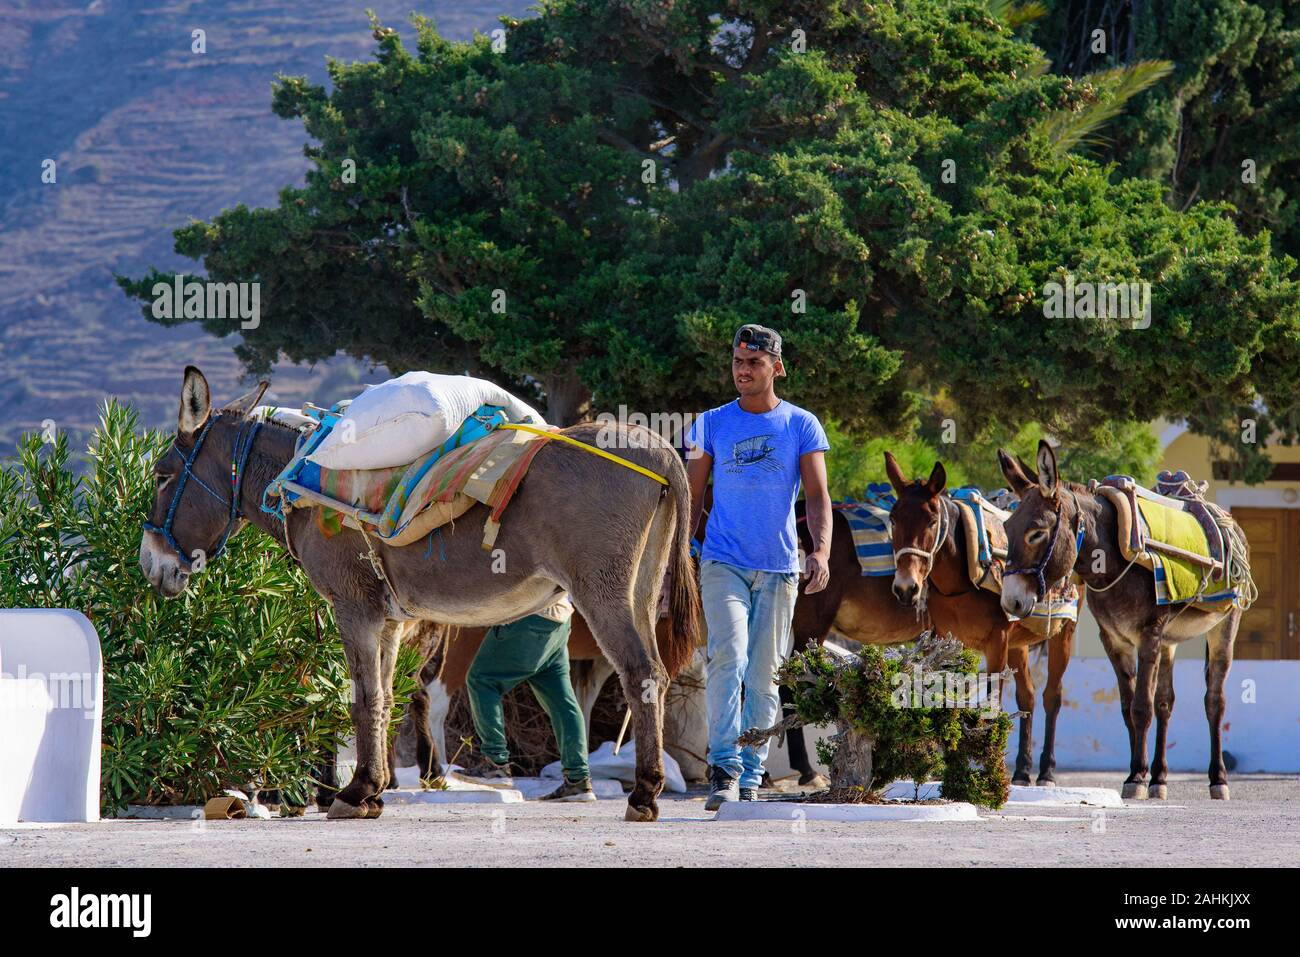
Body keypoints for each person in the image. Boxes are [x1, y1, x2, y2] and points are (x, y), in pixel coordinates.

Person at [686, 323, 832, 810]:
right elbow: (692, 494)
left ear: (777, 367)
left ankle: (751, 771)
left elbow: (816, 496)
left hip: (778, 567)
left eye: (753, 363)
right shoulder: (711, 423)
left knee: (766, 673)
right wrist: (682, 551)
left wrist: (821, 551)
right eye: (737, 362)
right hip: (722, 560)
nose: (743, 371)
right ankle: (723, 769)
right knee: (728, 659)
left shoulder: (801, 425)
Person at [465, 595, 596, 802]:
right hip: (560, 620)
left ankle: (495, 765)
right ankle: (578, 780)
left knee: (482, 680)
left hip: (529, 615)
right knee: (563, 701)